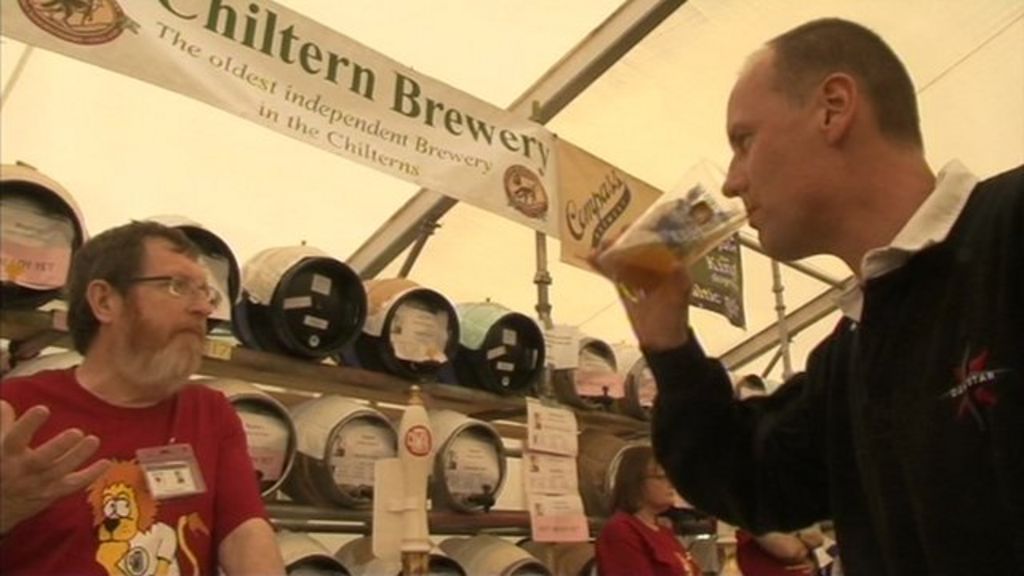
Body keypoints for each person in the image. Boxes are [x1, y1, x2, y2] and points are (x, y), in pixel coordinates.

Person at [598, 17, 1023, 575]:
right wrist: (668, 344)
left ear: (833, 108)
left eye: (743, 141)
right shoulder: (853, 349)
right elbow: (754, 481)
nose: (730, 181)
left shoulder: (1008, 230)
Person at [0, 221, 286, 575]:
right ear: (105, 301)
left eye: (206, 292)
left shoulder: (211, 412)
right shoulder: (14, 408)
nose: (203, 308)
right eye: (177, 286)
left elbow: (245, 533)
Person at [594, 445, 702, 576]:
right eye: (661, 477)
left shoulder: (663, 531)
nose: (671, 484)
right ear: (636, 481)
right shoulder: (621, 530)